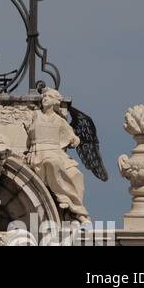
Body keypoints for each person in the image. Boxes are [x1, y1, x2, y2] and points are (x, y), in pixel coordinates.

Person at [23, 88, 90, 223]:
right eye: (44, 96)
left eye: (49, 96)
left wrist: (74, 140)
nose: (45, 98)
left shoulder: (59, 121)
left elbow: (73, 138)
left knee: (77, 175)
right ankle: (68, 202)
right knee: (53, 163)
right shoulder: (35, 115)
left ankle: (76, 212)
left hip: (57, 153)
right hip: (40, 154)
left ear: (55, 102)